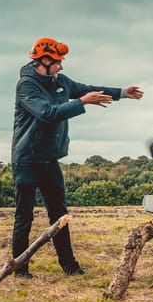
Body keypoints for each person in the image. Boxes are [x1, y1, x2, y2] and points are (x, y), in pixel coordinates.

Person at [10, 37, 143, 279]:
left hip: (50, 160)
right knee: (24, 216)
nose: (61, 67)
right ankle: (20, 271)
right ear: (45, 61)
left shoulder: (60, 81)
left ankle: (70, 267)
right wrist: (82, 103)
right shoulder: (26, 86)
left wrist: (122, 92)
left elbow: (85, 88)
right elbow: (48, 114)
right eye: (58, 63)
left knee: (60, 216)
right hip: (27, 160)